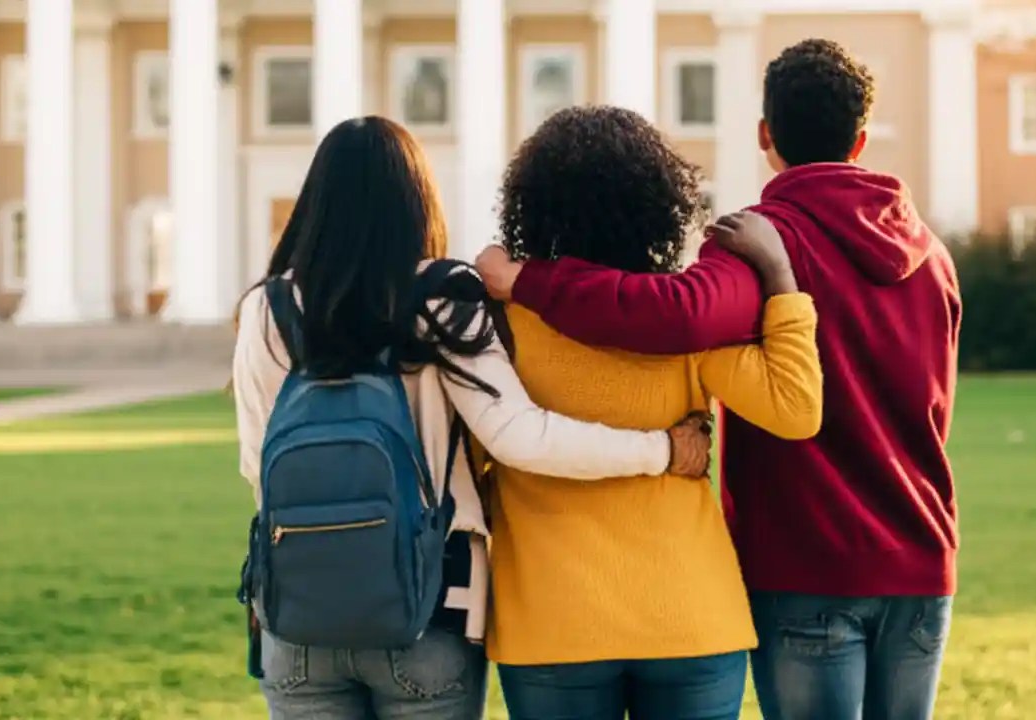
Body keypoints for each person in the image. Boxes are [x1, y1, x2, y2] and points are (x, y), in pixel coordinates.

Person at [478, 40, 962, 720]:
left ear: (766, 135)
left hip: (799, 560)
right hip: (913, 554)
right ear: (861, 139)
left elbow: (677, 315)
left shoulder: (755, 246)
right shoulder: (934, 258)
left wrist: (525, 280)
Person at [231, 116, 715, 720]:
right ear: (417, 202)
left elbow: (258, 465)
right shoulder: (441, 292)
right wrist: (662, 451)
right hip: (430, 610)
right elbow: (518, 436)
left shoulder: (264, 308)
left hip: (296, 614)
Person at [485, 105, 824, 720]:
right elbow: (796, 409)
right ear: (658, 203)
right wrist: (783, 285)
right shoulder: (683, 324)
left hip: (552, 621)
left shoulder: (506, 323)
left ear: (529, 205)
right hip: (691, 618)